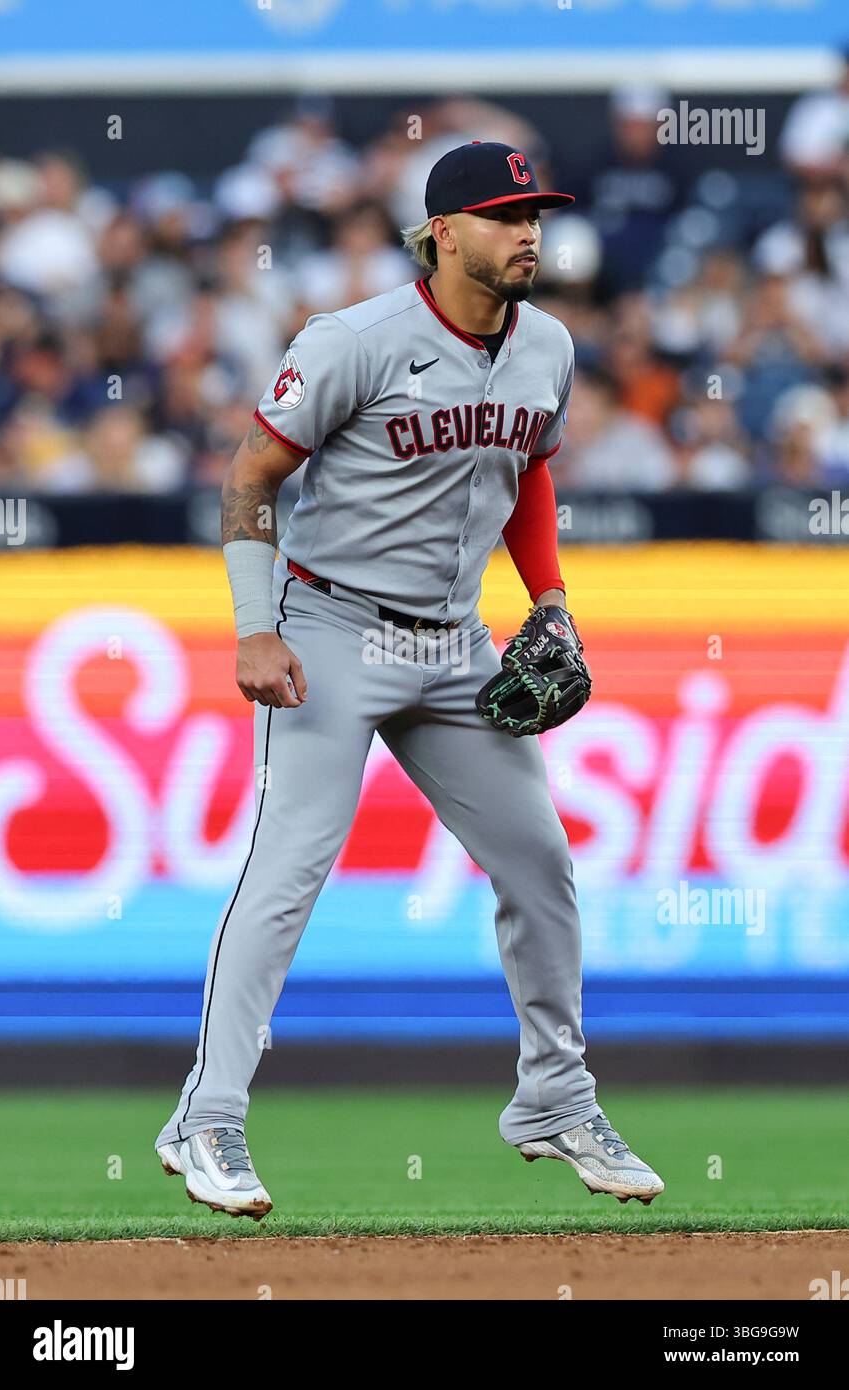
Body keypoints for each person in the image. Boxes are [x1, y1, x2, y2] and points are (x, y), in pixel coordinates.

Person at [154, 141, 665, 1219]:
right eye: (503, 214)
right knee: (287, 871)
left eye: (535, 213)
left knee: (539, 865)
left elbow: (527, 469)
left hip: (452, 642)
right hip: (329, 627)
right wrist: (255, 628)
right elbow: (250, 478)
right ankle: (207, 1118)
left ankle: (553, 1099)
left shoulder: (549, 348)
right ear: (442, 233)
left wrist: (551, 600)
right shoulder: (353, 340)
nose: (528, 231)